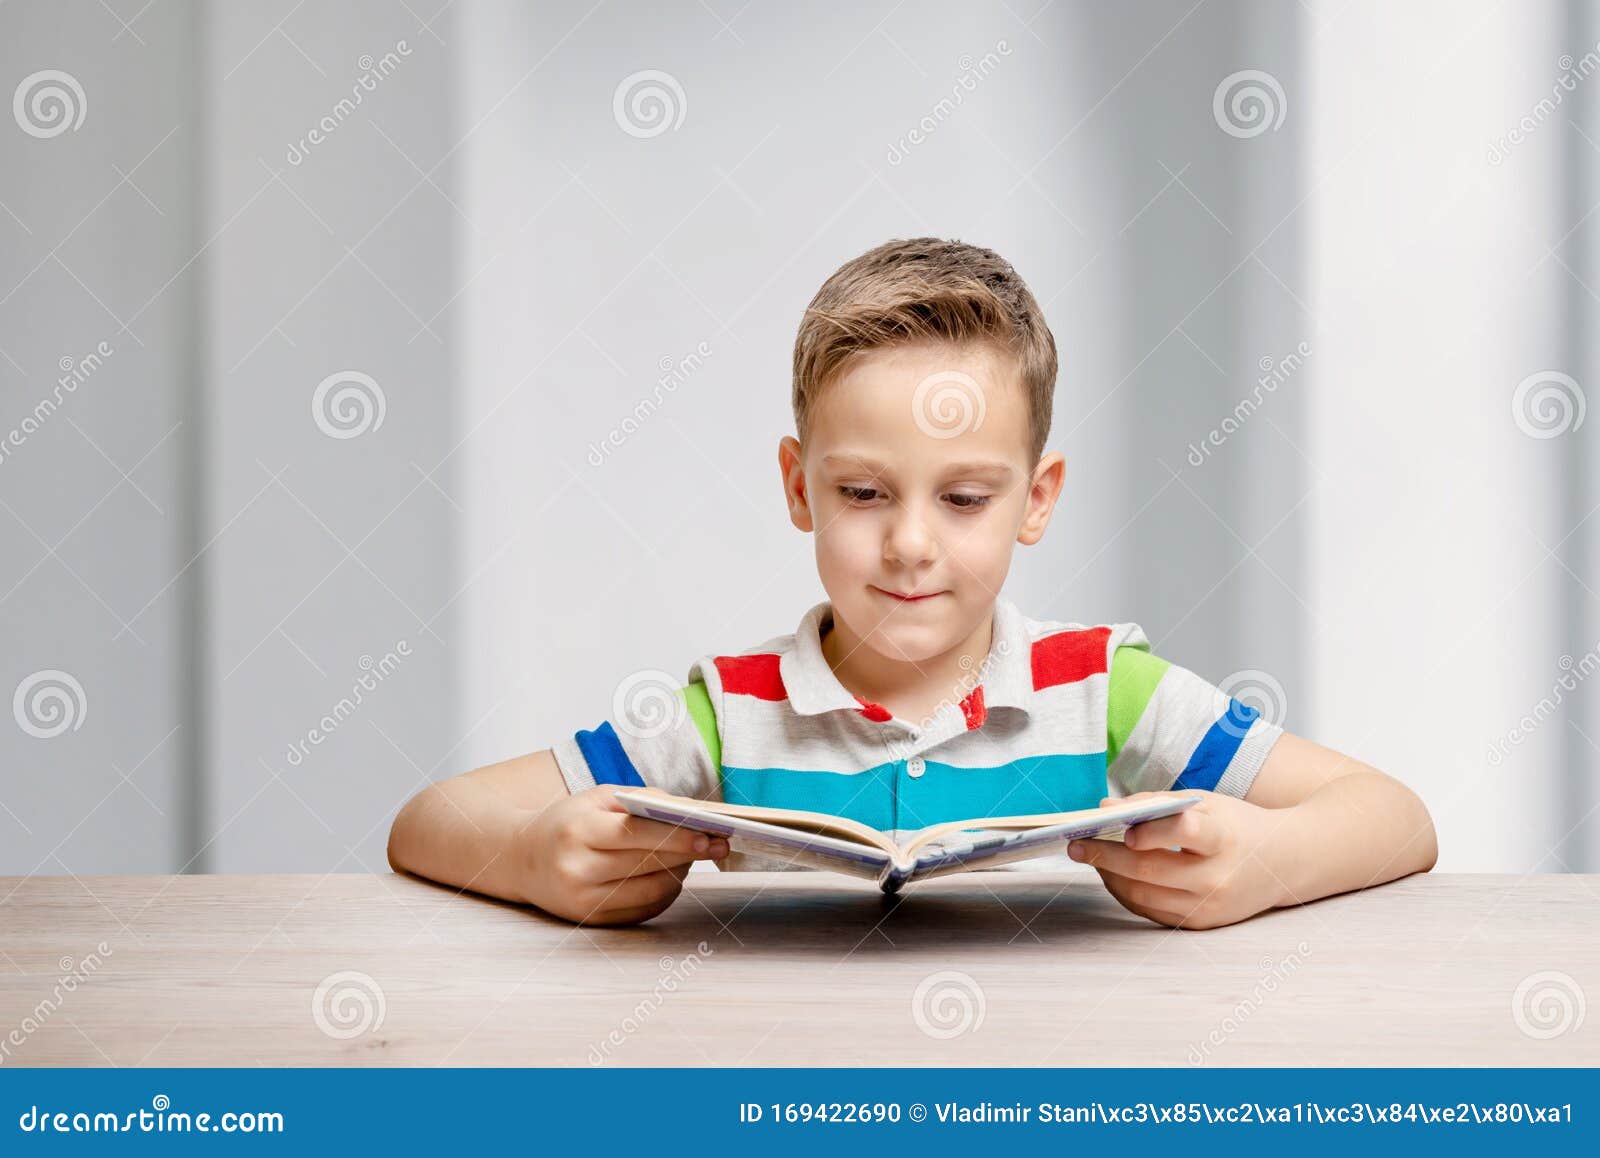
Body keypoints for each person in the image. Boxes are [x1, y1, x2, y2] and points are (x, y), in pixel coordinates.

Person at [387, 237, 1437, 929]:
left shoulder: (1102, 688)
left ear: (1036, 499)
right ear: (799, 487)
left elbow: (1395, 818)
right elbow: (430, 819)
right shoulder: (724, 714)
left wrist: (1265, 861)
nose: (910, 545)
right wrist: (534, 858)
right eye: (863, 493)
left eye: (965, 499)